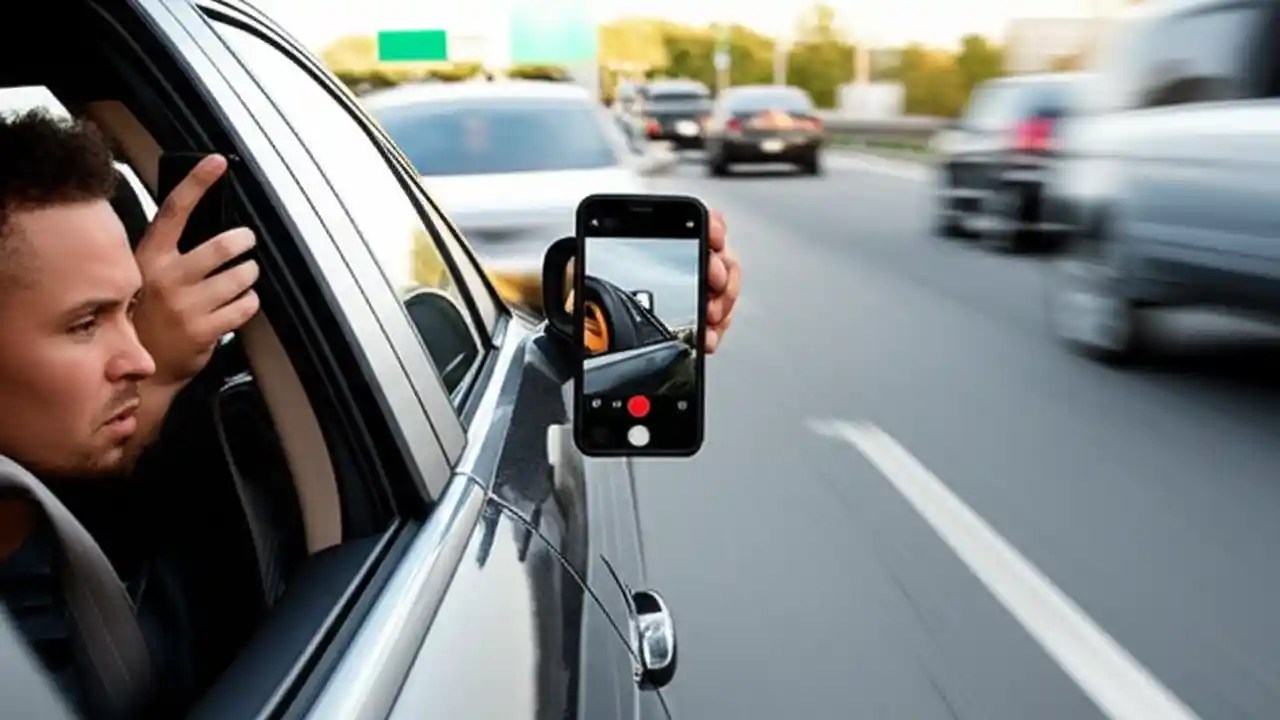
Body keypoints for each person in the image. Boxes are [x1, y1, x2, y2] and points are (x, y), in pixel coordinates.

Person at [0, 108, 740, 717]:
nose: (137, 358)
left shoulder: (131, 463)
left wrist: (606, 322)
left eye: (133, 309)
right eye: (84, 324)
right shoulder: (44, 589)